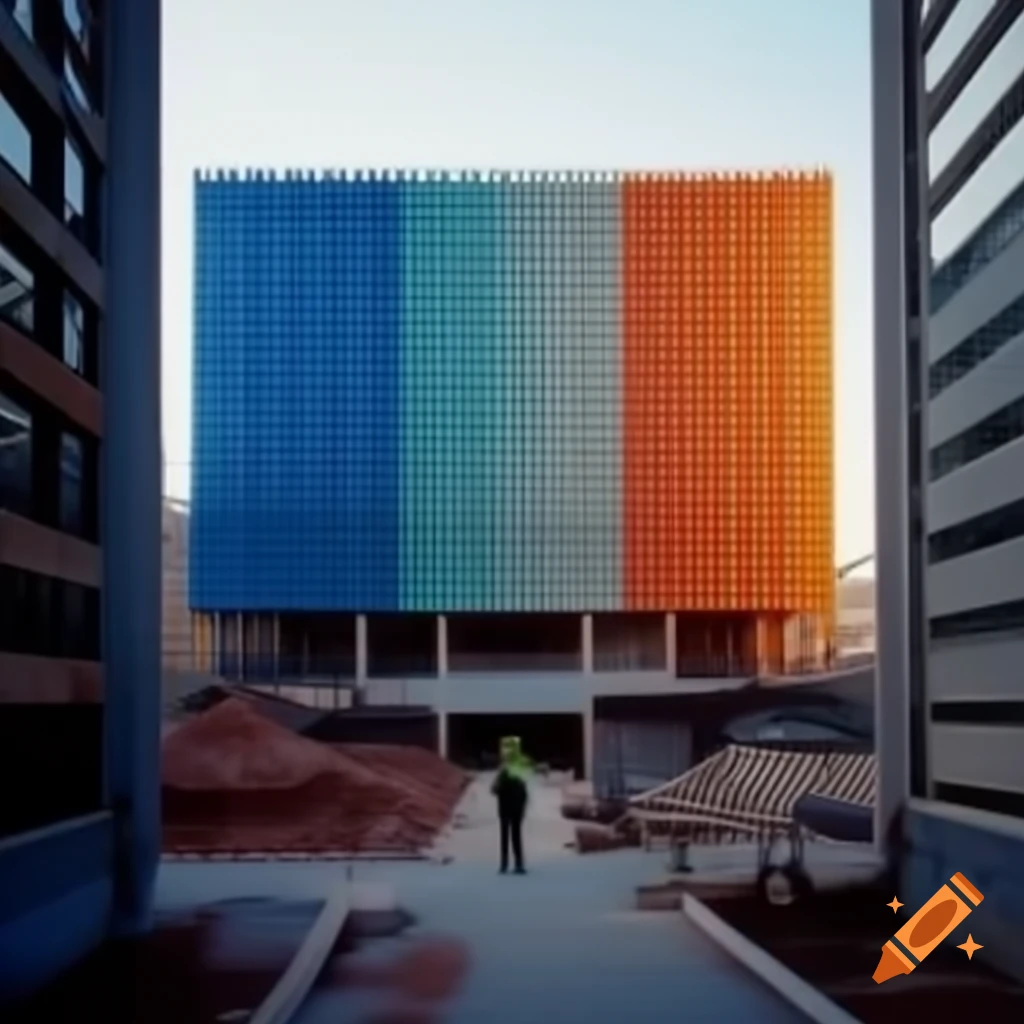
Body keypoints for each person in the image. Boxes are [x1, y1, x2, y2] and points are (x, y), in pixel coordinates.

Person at [491, 736, 529, 874]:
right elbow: (524, 793)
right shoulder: (514, 772)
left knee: (506, 836)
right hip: (511, 808)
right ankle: (516, 864)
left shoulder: (506, 772)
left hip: (507, 808)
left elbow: (494, 790)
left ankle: (505, 864)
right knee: (514, 835)